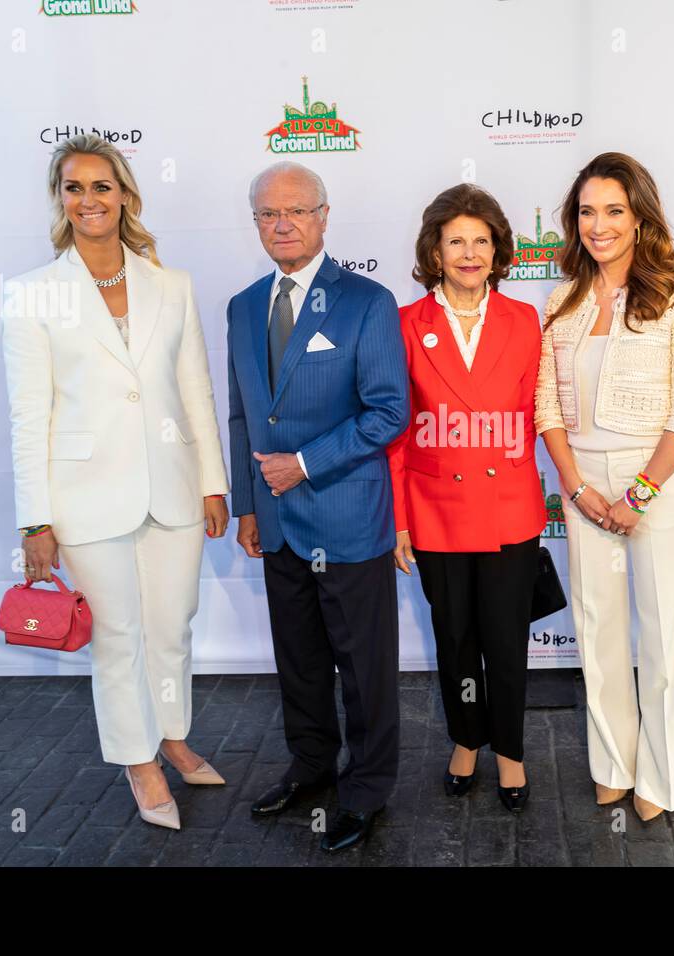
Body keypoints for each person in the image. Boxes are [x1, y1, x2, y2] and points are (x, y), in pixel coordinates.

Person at [1, 134, 231, 832]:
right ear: (60, 200)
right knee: (119, 634)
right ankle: (138, 761)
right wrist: (34, 519)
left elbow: (195, 389)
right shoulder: (32, 295)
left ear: (126, 194)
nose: (89, 200)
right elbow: (27, 415)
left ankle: (174, 737)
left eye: (102, 186)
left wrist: (214, 482)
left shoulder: (173, 283)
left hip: (175, 485)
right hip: (85, 495)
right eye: (74, 188)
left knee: (171, 627)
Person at [228, 161, 408, 853]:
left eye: (297, 211)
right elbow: (245, 414)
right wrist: (249, 505)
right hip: (275, 522)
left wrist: (304, 463)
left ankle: (366, 790)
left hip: (346, 516)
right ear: (256, 223)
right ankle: (310, 768)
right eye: (268, 214)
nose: (282, 223)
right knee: (299, 662)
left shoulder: (366, 301)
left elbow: (389, 411)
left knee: (363, 670)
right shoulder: (244, 306)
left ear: (324, 217)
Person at [535, 152, 674, 822]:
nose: (598, 224)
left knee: (663, 635)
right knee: (597, 629)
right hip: (584, 485)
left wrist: (638, 495)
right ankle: (613, 763)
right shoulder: (563, 300)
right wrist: (578, 489)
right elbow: (547, 407)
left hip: (654, 480)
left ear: (639, 217)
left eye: (613, 210)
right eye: (586, 211)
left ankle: (663, 781)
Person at [387, 184, 546, 813]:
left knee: (506, 641)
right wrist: (399, 520)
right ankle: (464, 740)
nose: (470, 252)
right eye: (457, 240)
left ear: (498, 249)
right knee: (454, 638)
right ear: (436, 248)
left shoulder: (524, 319)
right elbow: (396, 432)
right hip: (434, 511)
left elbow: (536, 419)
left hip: (509, 508)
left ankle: (509, 752)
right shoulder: (405, 324)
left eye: (481, 240)